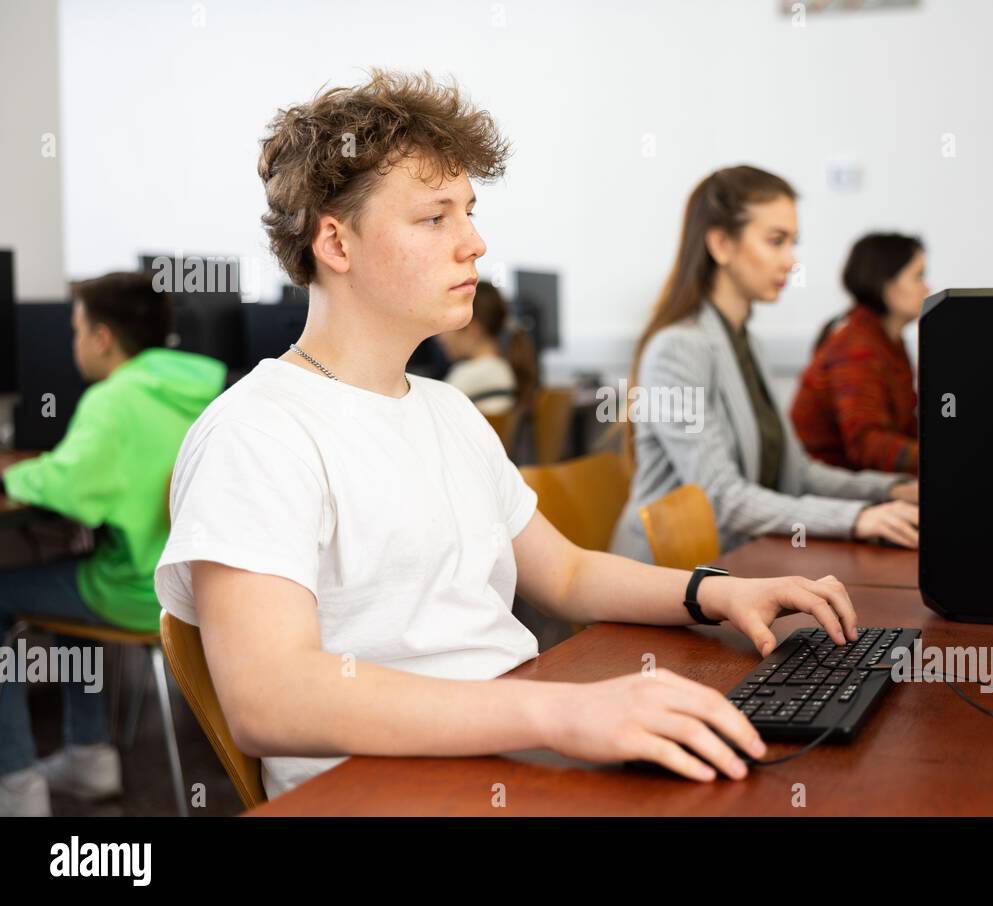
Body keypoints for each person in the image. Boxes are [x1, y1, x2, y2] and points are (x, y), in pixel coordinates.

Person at [154, 69, 872, 798]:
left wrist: (716, 593)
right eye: (436, 218)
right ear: (335, 244)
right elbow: (271, 701)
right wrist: (558, 713)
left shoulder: (445, 410)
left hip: (505, 752)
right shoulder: (257, 433)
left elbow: (566, 574)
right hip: (383, 789)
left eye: (469, 211)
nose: (475, 243)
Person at [609, 166, 920, 564]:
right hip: (666, 573)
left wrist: (892, 491)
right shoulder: (677, 349)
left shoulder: (747, 343)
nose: (791, 261)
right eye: (776, 241)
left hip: (735, 560)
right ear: (721, 244)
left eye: (794, 243)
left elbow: (799, 474)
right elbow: (722, 497)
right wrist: (857, 518)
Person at [0, 272, 226, 817]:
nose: (72, 342)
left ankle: (17, 784)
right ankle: (88, 754)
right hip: (205, 586)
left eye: (76, 329)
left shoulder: (116, 399)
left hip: (139, 592)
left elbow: (71, 489)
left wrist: (11, 479)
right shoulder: (210, 384)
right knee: (78, 565)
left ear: (102, 337)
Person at [791, 233, 927, 474]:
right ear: (887, 284)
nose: (927, 288)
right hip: (828, 490)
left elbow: (904, 427)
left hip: (860, 484)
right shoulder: (856, 347)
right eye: (918, 277)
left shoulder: (888, 341)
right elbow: (867, 444)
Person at [437, 282, 537, 415]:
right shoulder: (502, 370)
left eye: (446, 324)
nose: (440, 337)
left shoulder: (467, 376)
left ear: (471, 328)